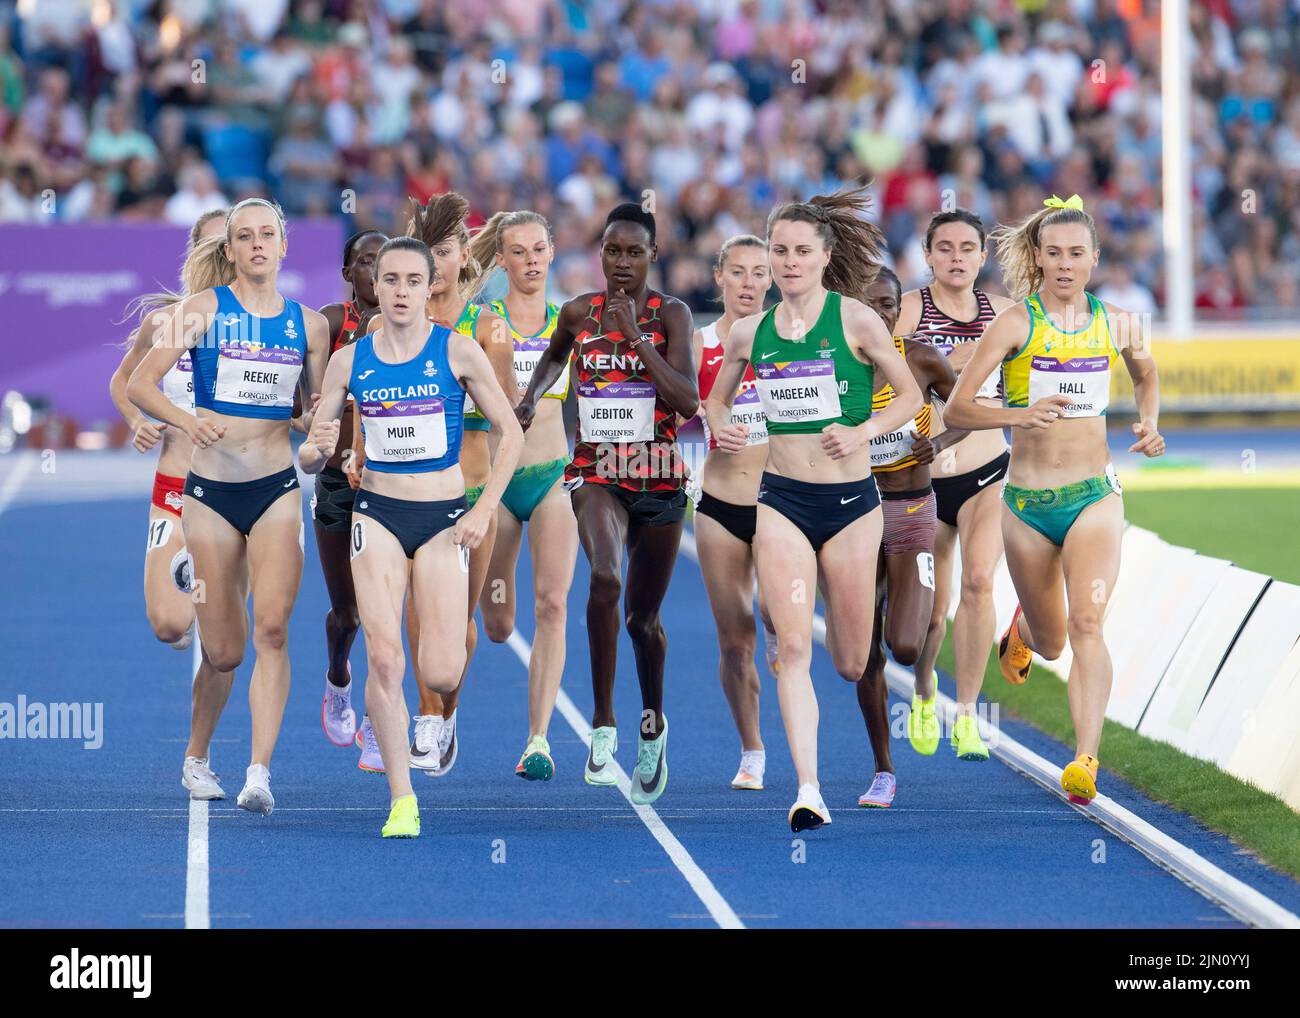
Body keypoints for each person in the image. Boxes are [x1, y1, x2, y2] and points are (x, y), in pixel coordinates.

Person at [705, 185, 922, 831]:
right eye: (779, 250)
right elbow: (715, 400)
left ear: (824, 256)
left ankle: (841, 674)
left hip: (853, 504)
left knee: (852, 659)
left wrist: (861, 432)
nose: (789, 261)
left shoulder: (855, 320)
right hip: (781, 501)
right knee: (792, 647)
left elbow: (908, 395)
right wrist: (723, 423)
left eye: (801, 250)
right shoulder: (750, 332)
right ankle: (808, 789)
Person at [299, 236, 523, 837]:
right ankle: (402, 799)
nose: (399, 291)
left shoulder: (458, 351)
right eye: (389, 279)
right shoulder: (351, 360)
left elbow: (512, 434)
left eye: (411, 281)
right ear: (376, 285)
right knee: (384, 655)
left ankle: (437, 720)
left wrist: (485, 511)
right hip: (375, 516)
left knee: (444, 670)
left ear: (431, 288)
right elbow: (318, 439)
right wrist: (316, 448)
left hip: (445, 520)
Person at [943, 195, 1162, 804]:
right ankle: (1024, 630)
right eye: (1054, 253)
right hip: (1026, 505)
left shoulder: (1118, 321)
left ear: (1094, 258)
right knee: (1054, 641)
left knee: (1089, 622)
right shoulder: (1015, 323)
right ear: (1037, 258)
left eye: (1077, 253)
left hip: (1095, 495)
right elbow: (960, 407)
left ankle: (1085, 761)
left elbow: (1146, 372)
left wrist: (1147, 421)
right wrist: (1020, 413)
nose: (1065, 264)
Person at [127, 197, 331, 814]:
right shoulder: (201, 311)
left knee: (272, 628)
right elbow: (138, 382)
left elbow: (316, 411)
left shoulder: (310, 326)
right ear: (231, 249)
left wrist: (320, 437)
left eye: (268, 235)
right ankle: (196, 754)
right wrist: (189, 420)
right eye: (246, 237)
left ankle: (259, 773)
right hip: (209, 495)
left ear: (284, 245)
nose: (258, 246)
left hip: (275, 491)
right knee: (225, 649)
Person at [517, 203, 698, 804]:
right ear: (600, 255)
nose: (621, 263)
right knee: (601, 577)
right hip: (598, 471)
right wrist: (530, 397)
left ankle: (652, 723)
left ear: (652, 255)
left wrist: (634, 341)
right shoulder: (577, 312)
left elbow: (687, 401)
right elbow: (553, 355)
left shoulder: (671, 314)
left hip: (661, 478)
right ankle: (602, 722)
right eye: (612, 252)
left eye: (634, 252)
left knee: (643, 621)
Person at [361, 194, 515, 777]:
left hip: (471, 494)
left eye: (446, 253)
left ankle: (444, 712)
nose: (436, 265)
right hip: (395, 492)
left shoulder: (485, 330)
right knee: (403, 617)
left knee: (459, 626)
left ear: (460, 263)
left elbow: (506, 421)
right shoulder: (385, 325)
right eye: (428, 253)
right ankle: (416, 720)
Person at [900, 209, 1018, 761]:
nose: (955, 257)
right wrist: (953, 359)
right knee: (931, 604)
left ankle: (967, 713)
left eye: (966, 247)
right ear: (927, 255)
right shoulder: (906, 311)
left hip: (987, 469)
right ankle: (925, 692)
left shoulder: (1004, 315)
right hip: (920, 476)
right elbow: (885, 378)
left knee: (977, 584)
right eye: (943, 248)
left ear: (981, 256)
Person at [471, 210, 579, 781]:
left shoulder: (571, 321)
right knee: (497, 621)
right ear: (503, 260)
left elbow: (598, 397)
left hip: (551, 475)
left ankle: (538, 738)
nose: (532, 260)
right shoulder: (480, 322)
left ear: (553, 251)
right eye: (519, 251)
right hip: (497, 482)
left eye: (540, 249)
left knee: (553, 604)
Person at [854, 266, 968, 808]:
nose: (881, 313)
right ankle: (883, 769)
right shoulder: (838, 362)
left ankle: (922, 674)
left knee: (903, 644)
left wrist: (938, 440)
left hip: (912, 507)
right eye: (871, 304)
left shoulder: (920, 357)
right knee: (861, 651)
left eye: (889, 305)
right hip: (853, 513)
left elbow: (964, 407)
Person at [108, 209, 226, 659]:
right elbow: (123, 381)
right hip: (174, 486)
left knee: (225, 641)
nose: (221, 257)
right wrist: (138, 422)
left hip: (231, 492)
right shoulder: (163, 322)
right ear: (194, 254)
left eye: (226, 247)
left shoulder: (256, 328)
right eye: (211, 247)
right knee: (169, 625)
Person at [691, 234, 777, 790]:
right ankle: (752, 749)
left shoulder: (791, 339)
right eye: (738, 272)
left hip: (779, 502)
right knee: (733, 639)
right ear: (719, 277)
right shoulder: (699, 344)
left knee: (775, 615)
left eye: (759, 273)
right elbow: (671, 407)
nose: (749, 283)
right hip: (719, 503)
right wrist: (707, 415)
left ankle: (780, 626)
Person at [313, 229, 386, 752]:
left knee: (386, 611)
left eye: (385, 262)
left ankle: (383, 726)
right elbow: (307, 394)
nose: (376, 272)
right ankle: (338, 675)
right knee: (349, 612)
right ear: (348, 274)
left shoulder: (412, 327)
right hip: (337, 481)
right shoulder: (333, 323)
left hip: (393, 484)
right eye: (365, 262)